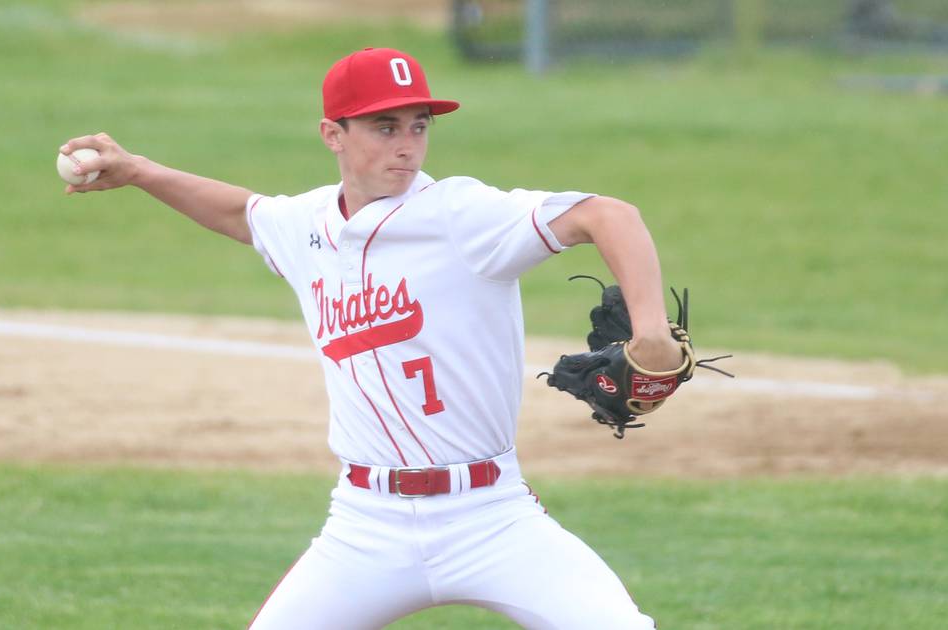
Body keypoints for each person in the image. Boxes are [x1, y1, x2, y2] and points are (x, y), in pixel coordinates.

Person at [60, 47, 681, 629]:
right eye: (385, 127)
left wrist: (651, 333)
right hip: (365, 526)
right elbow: (240, 213)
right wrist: (139, 171)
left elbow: (610, 216)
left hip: (491, 516)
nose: (407, 146)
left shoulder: (461, 215)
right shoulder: (306, 225)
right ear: (333, 134)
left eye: (419, 125)